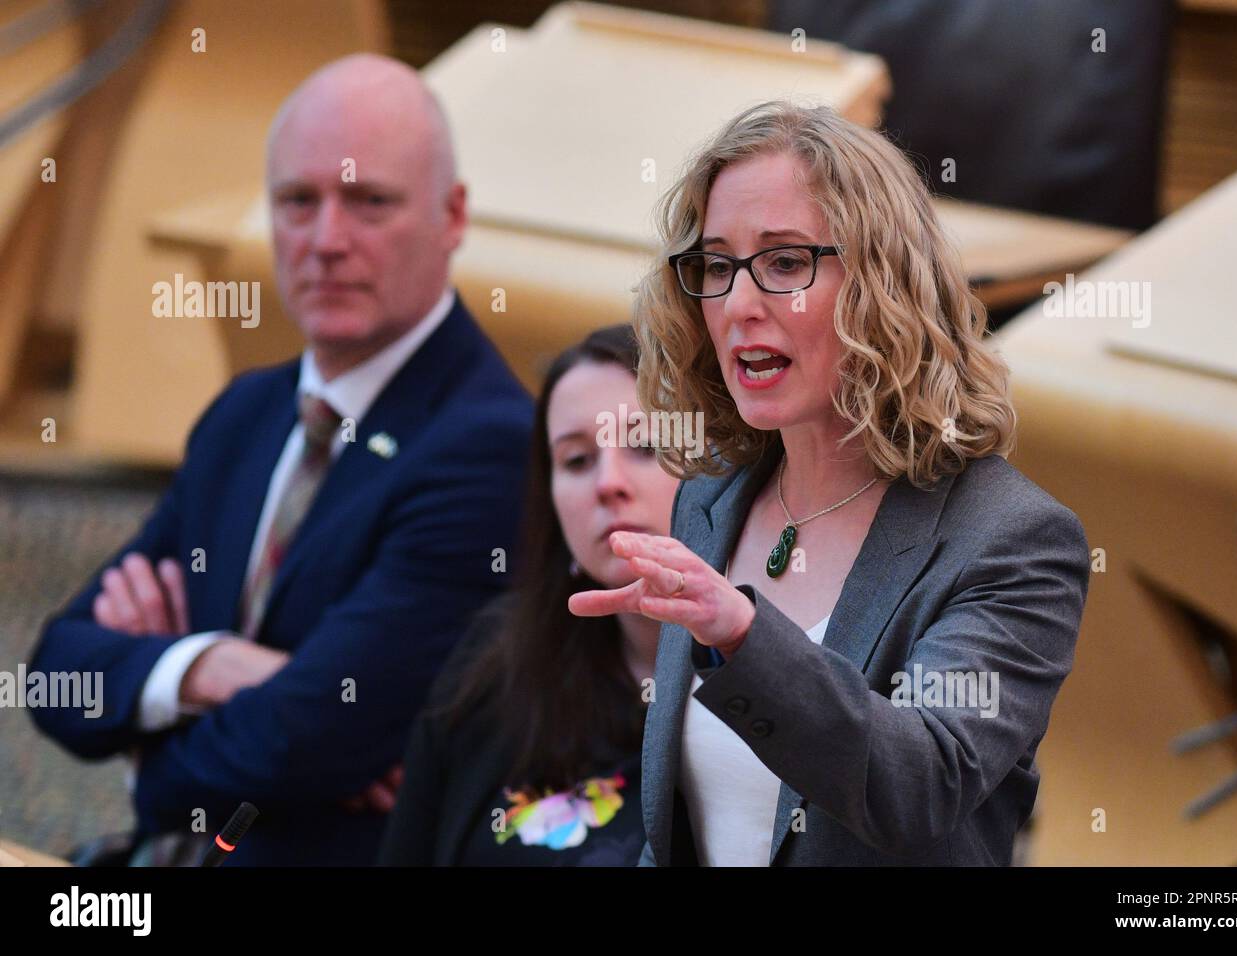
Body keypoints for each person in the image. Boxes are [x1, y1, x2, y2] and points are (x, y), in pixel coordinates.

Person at [27, 54, 534, 866]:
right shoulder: (245, 415)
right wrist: (210, 666)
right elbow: (57, 674)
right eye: (299, 201)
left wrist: (148, 743)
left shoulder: (490, 442)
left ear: (453, 215)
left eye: (370, 202)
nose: (328, 240)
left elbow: (313, 735)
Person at [570, 102, 1091, 866]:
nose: (740, 303)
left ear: (886, 284)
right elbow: (680, 828)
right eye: (717, 266)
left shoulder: (1011, 540)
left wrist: (744, 636)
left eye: (785, 263)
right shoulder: (709, 499)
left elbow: (921, 779)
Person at [379, 325, 678, 866]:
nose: (607, 483)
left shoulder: (776, 672)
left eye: (645, 446)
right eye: (577, 460)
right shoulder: (495, 663)